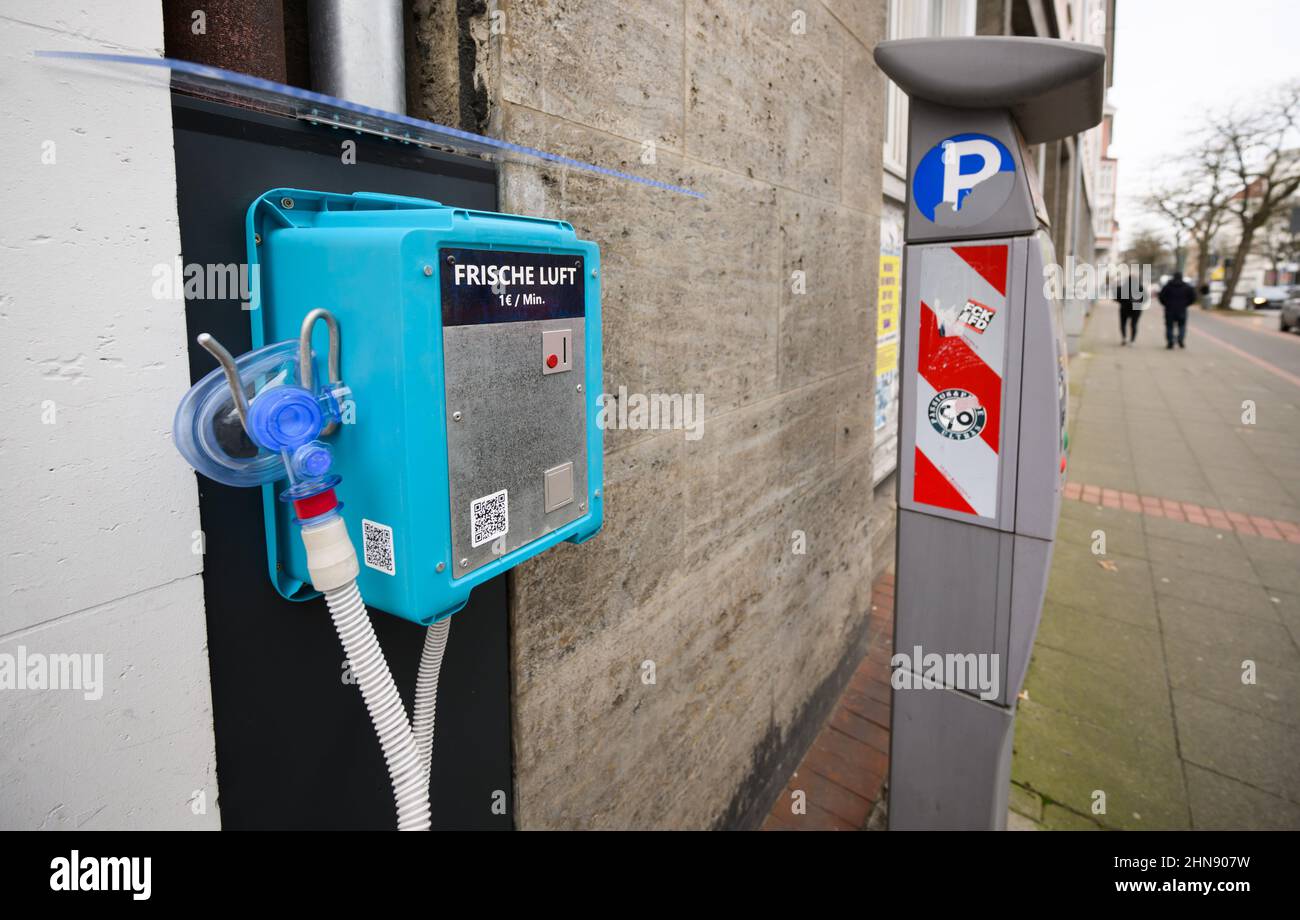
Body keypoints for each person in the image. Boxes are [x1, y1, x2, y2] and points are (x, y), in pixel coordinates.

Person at [1157, 272, 1197, 349]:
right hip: (1182, 309)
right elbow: (1193, 298)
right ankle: (1180, 339)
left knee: (1169, 326)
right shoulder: (1187, 287)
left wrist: (1166, 304)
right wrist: (1186, 304)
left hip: (1169, 310)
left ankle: (1170, 341)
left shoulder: (1167, 286)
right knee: (1182, 326)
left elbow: (1161, 297)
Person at [1116, 275, 1145, 345]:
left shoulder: (1123, 287)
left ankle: (1124, 338)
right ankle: (1132, 341)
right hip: (1136, 308)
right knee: (1134, 324)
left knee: (1123, 324)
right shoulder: (1140, 287)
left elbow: (1117, 298)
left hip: (1124, 308)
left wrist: (1123, 302)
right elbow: (1145, 298)